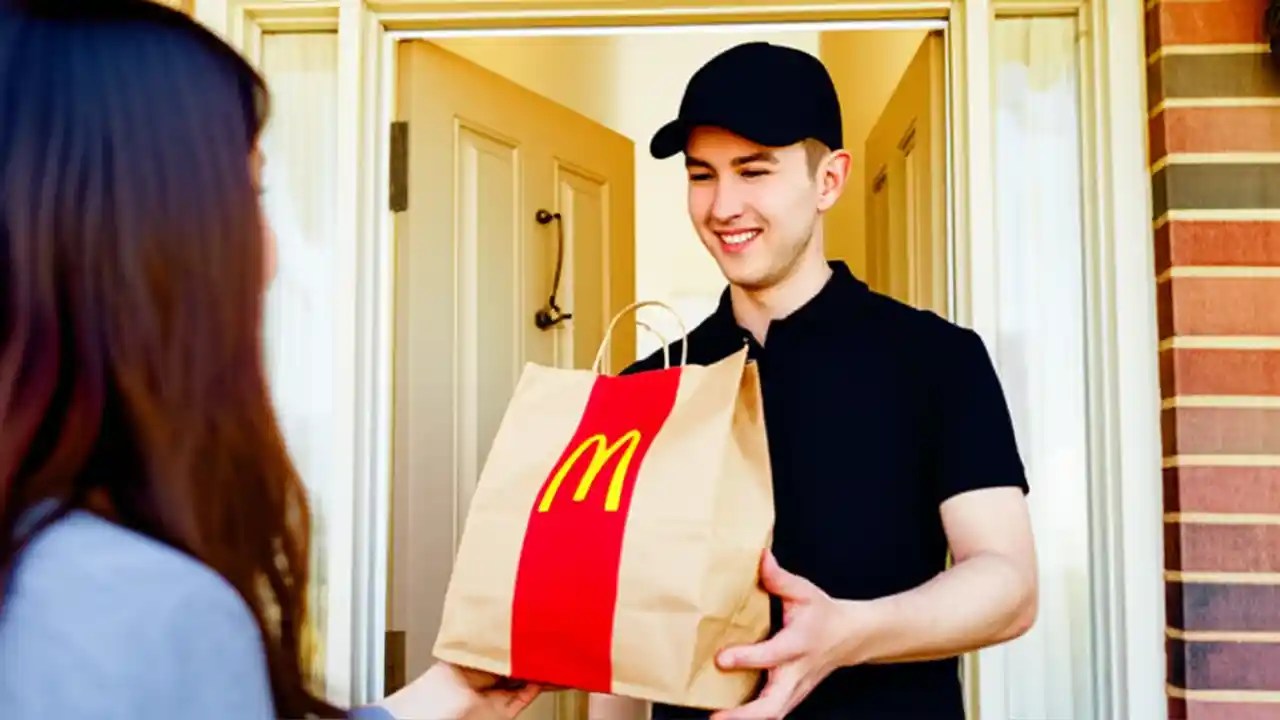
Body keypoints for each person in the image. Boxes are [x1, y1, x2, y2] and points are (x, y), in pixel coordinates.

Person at [0, 2, 539, 719]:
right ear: (152, 241)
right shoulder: (146, 612)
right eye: (250, 193)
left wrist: (442, 696)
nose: (272, 255)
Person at [625, 42, 1039, 719]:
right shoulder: (650, 384)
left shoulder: (937, 358)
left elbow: (1009, 585)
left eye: (753, 171)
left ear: (829, 180)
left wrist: (846, 634)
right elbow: (626, 635)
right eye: (702, 175)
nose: (723, 205)